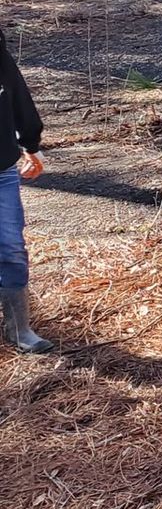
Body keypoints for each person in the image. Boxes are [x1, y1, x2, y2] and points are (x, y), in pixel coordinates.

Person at [1, 28, 51, 353]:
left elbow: (18, 94)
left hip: (0, 168)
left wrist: (31, 144)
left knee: (11, 247)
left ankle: (19, 329)